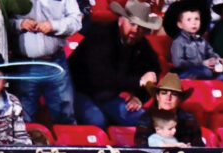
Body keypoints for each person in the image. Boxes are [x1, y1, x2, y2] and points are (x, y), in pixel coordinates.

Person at [68, 0, 161, 128]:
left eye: (141, 27)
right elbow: (101, 77)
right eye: (132, 24)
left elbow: (154, 69)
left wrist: (139, 96)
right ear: (121, 20)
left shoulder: (141, 43)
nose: (136, 30)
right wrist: (138, 81)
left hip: (111, 94)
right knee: (97, 121)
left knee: (142, 119)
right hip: (81, 91)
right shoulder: (100, 35)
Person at [133, 73, 217, 153]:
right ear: (157, 96)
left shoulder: (189, 119)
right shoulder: (146, 118)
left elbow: (198, 148)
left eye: (173, 94)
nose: (168, 97)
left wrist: (189, 150)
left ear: (180, 99)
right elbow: (143, 150)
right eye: (164, 93)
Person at [10, 0, 82, 124]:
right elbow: (0, 21)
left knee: (65, 118)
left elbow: (76, 20)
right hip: (24, 65)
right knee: (22, 120)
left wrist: (54, 26)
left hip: (56, 62)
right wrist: (19, 24)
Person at [165, 0, 223, 80]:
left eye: (197, 19)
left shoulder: (202, 41)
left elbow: (210, 52)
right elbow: (177, 63)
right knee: (205, 72)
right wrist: (202, 63)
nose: (194, 23)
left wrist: (217, 59)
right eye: (189, 20)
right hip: (185, 73)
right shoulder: (178, 41)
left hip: (203, 70)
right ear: (180, 24)